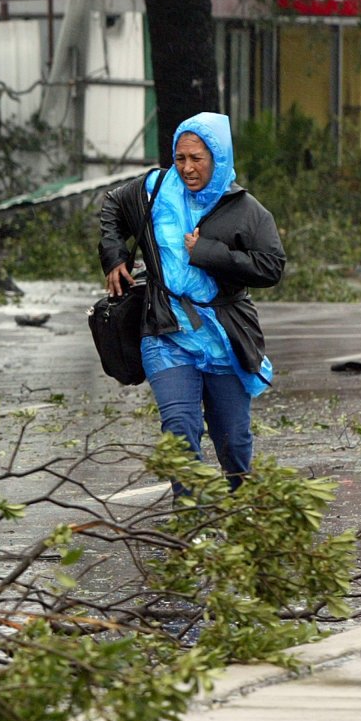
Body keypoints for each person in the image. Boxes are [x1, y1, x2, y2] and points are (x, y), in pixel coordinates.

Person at [98, 111, 285, 498]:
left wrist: (208, 252)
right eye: (180, 158)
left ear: (218, 158)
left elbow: (271, 267)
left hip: (224, 336)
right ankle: (191, 518)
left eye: (196, 159)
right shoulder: (155, 187)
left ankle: (241, 511)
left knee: (233, 440)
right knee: (180, 427)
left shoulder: (247, 210)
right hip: (165, 330)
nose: (186, 168)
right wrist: (114, 256)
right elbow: (113, 206)